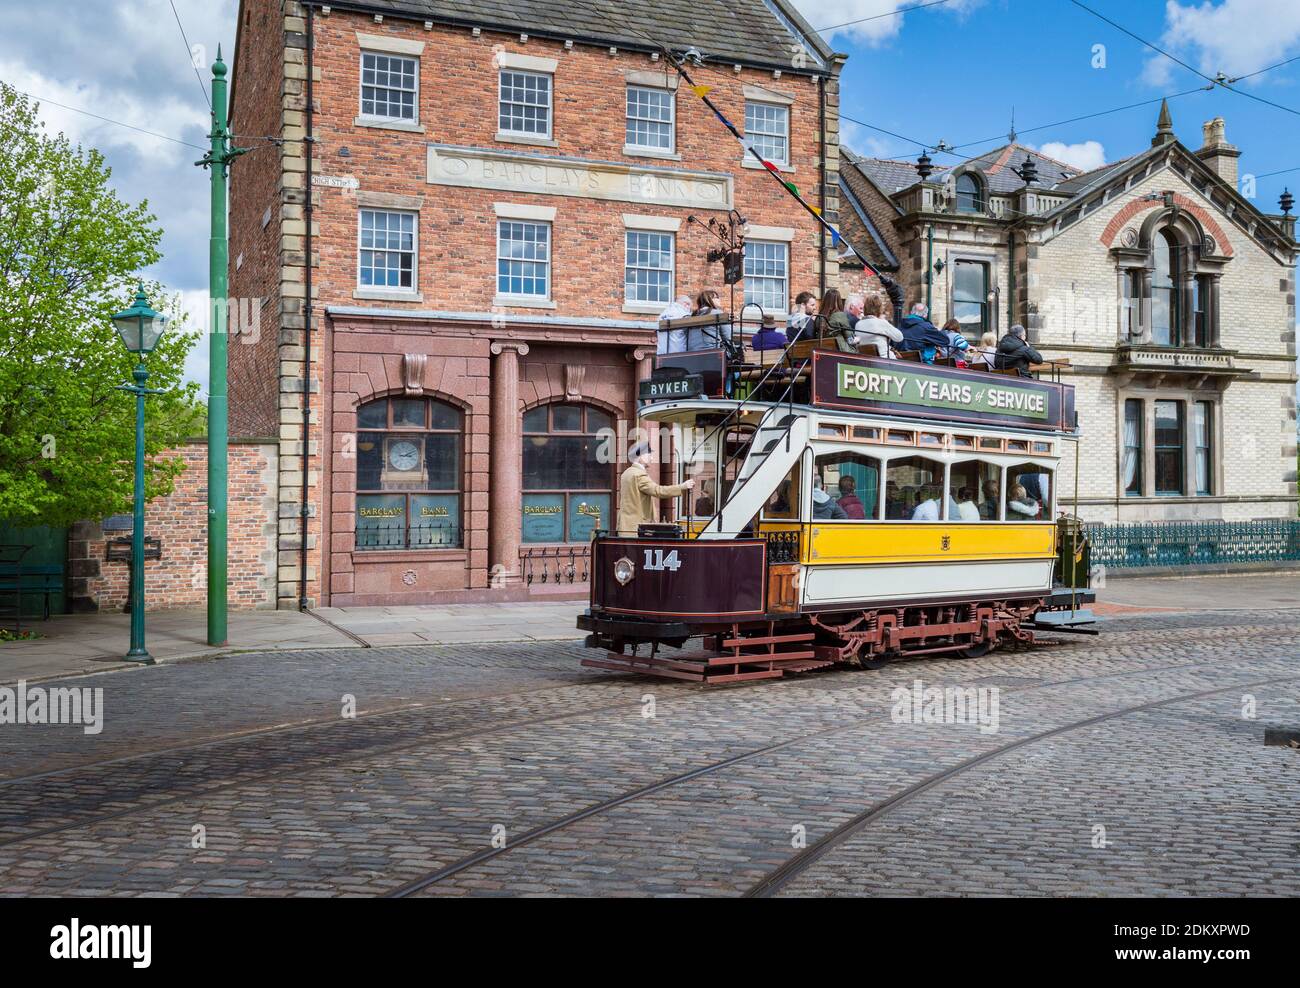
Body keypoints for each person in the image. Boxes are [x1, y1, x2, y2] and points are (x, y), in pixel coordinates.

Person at [616, 443, 694, 535]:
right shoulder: (639, 474)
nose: (652, 458)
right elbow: (658, 491)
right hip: (636, 529)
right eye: (649, 455)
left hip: (625, 526)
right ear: (641, 457)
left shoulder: (626, 473)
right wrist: (682, 486)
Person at [817, 288, 858, 353]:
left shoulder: (819, 317)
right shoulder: (840, 315)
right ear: (839, 301)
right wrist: (857, 339)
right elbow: (849, 338)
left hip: (823, 350)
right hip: (840, 351)